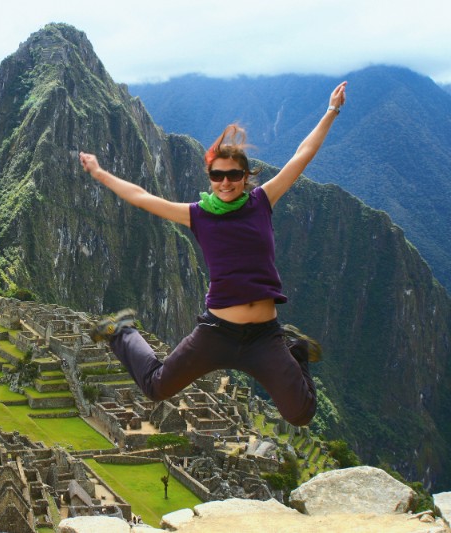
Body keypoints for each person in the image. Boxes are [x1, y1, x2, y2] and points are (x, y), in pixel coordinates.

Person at [78, 82, 347, 426]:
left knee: (301, 414)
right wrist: (100, 173)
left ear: (245, 176)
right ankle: (121, 332)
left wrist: (331, 111)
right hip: (217, 332)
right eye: (217, 175)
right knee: (157, 386)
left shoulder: (262, 201)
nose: (225, 182)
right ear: (210, 178)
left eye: (233, 175)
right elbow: (142, 197)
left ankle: (296, 352)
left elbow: (302, 155)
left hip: (264, 335)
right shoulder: (197, 215)